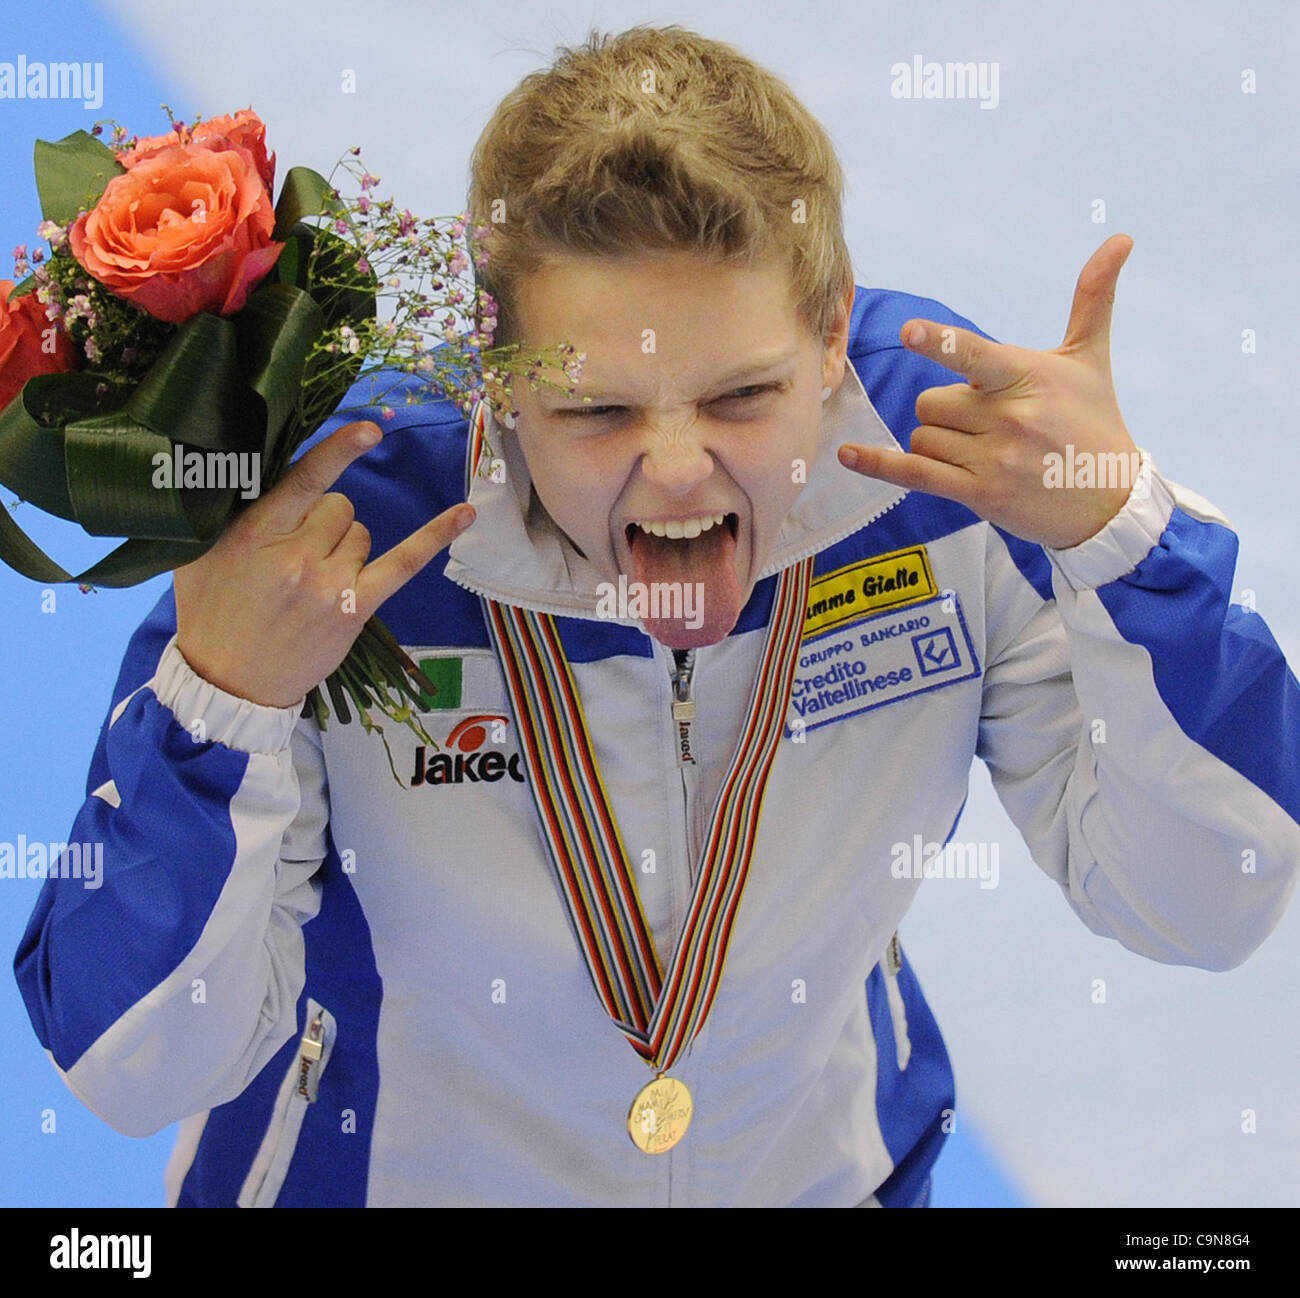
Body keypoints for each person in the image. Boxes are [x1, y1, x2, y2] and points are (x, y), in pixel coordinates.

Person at [14, 25, 1300, 1208]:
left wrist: (1123, 534)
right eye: (596, 411)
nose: (679, 468)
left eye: (745, 395)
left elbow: (1203, 902)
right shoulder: (343, 526)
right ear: (494, 361)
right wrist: (221, 690)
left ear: (836, 327)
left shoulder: (955, 474)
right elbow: (135, 1066)